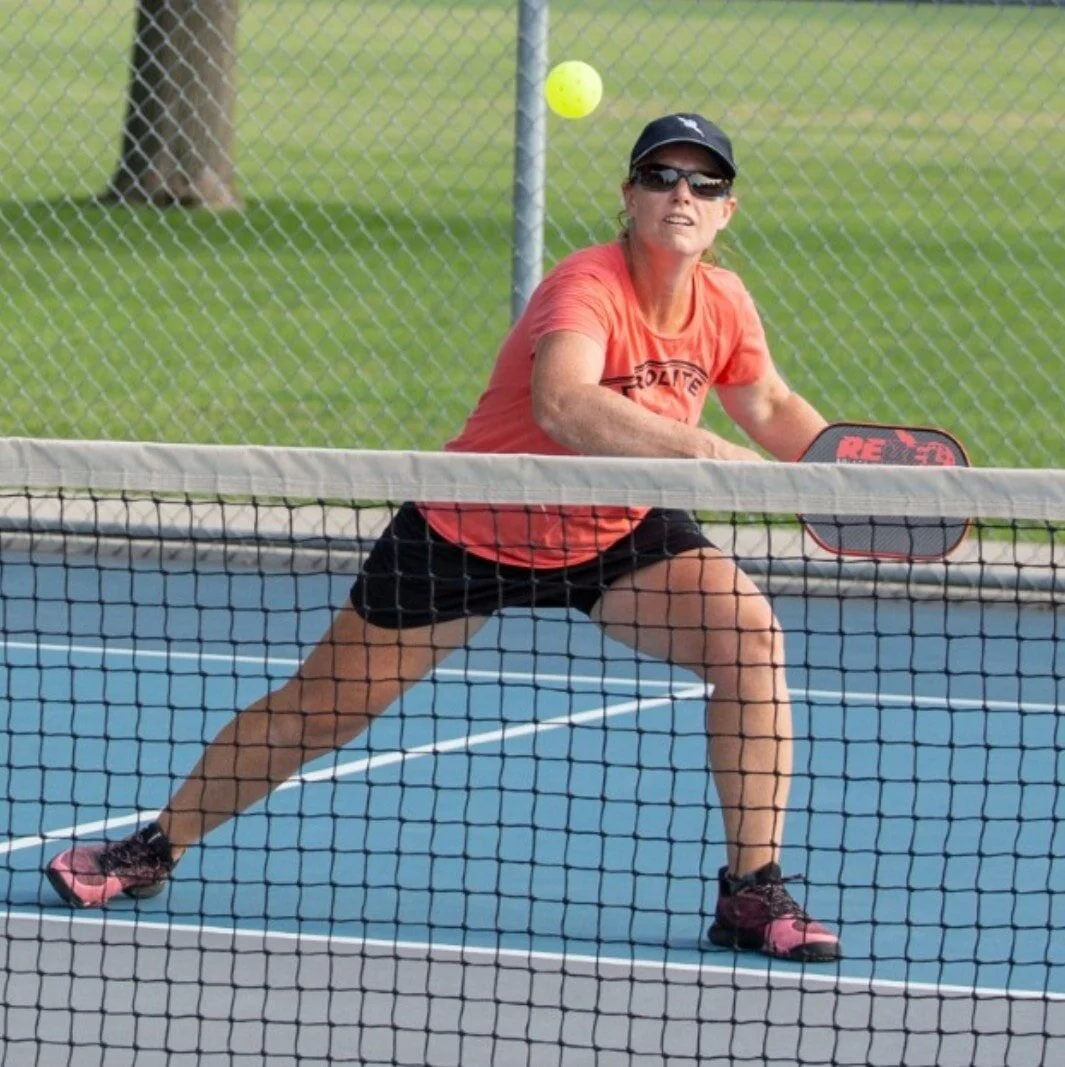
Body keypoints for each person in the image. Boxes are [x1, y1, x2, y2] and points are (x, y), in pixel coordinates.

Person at [45, 113, 841, 963]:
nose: (681, 194)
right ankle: (153, 848)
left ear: (726, 210)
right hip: (472, 525)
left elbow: (767, 405)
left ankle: (750, 892)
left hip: (615, 530)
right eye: (661, 177)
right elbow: (563, 403)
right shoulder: (586, 284)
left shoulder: (723, 302)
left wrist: (844, 474)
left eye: (703, 183)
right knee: (318, 711)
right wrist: (703, 451)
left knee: (749, 637)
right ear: (629, 198)